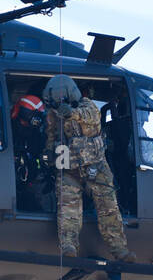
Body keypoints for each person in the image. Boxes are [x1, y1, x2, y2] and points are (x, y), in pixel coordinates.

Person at [42, 75, 133, 262]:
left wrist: (71, 113)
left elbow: (91, 117)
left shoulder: (87, 105)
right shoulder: (53, 115)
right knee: (67, 208)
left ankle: (119, 250)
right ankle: (68, 246)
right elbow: (51, 135)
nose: (57, 104)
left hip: (96, 165)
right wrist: (50, 153)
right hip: (68, 167)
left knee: (108, 207)